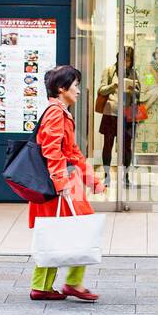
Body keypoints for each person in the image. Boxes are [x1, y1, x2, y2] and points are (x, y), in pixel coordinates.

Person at [28, 65, 104, 302]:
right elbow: (52, 150)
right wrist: (62, 183)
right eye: (75, 86)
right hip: (60, 185)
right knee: (80, 228)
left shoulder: (60, 112)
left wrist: (91, 178)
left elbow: (71, 151)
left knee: (55, 232)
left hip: (61, 183)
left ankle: (43, 285)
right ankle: (71, 282)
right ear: (62, 89)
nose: (79, 91)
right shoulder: (55, 113)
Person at [97, 47, 139, 186]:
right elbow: (101, 90)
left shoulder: (133, 73)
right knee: (108, 145)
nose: (125, 63)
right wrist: (113, 85)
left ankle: (126, 177)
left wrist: (134, 89)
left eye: (128, 61)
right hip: (111, 113)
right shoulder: (109, 71)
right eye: (123, 60)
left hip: (128, 114)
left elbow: (139, 93)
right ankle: (107, 176)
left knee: (127, 146)